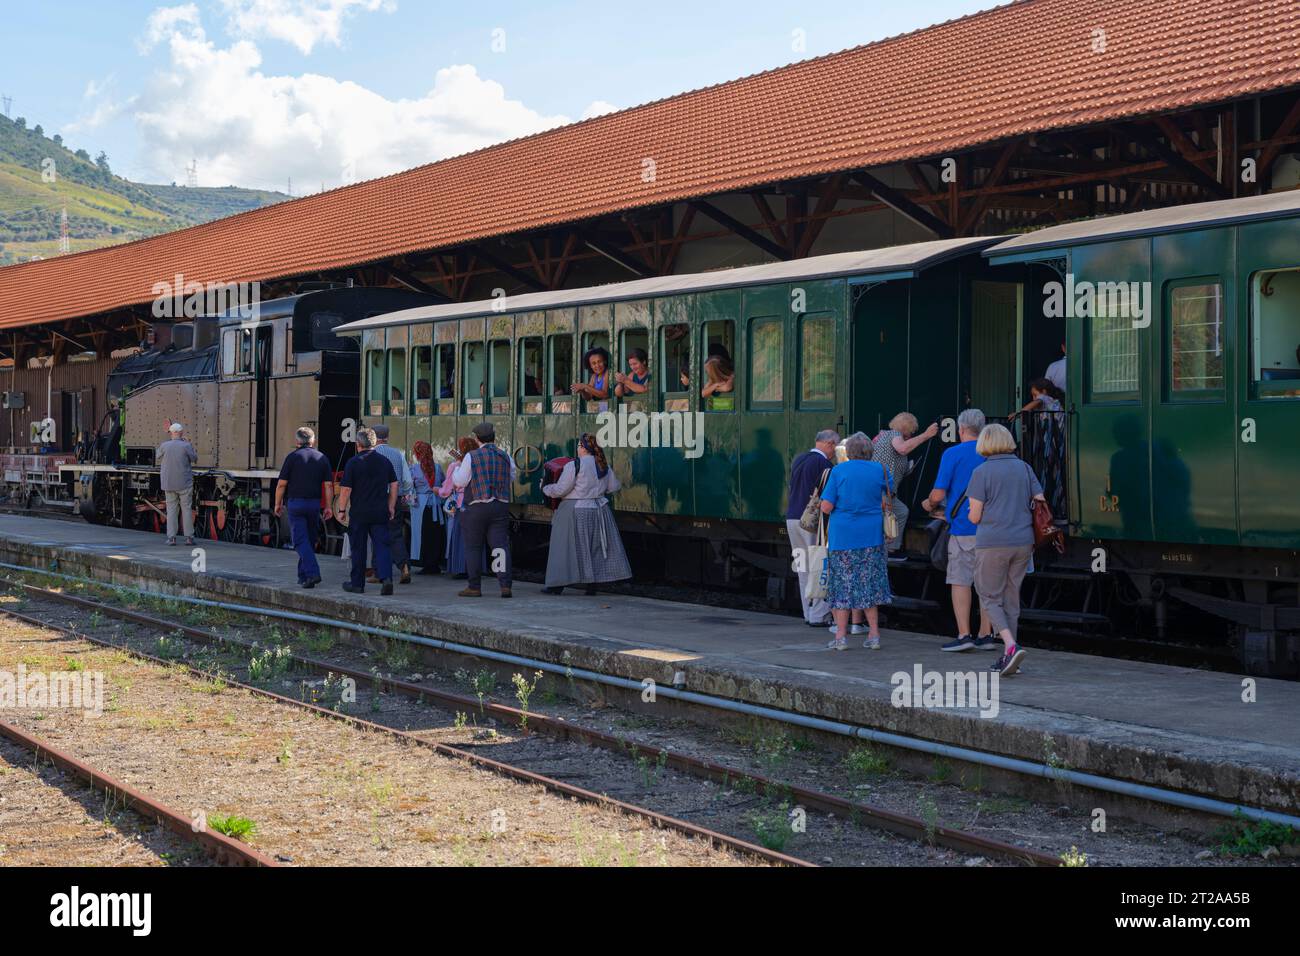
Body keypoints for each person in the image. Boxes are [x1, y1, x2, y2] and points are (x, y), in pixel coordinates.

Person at [967, 423, 1047, 676]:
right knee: (1012, 597)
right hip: (1023, 541)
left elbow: (975, 516)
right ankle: (1010, 658)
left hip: (993, 542)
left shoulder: (981, 472)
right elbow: (1041, 500)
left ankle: (1011, 647)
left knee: (988, 595)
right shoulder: (1024, 468)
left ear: (985, 444)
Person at [922, 408, 996, 652]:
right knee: (987, 585)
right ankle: (986, 634)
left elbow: (939, 494)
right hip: (992, 529)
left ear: (961, 429)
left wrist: (929, 504)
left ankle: (964, 634)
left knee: (961, 581)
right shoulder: (993, 453)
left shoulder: (952, 453)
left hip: (964, 527)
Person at [819, 432, 893, 650]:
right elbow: (889, 497)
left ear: (849, 452)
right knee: (868, 584)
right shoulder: (880, 469)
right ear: (870, 451)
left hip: (843, 537)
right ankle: (874, 634)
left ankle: (841, 637)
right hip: (871, 536)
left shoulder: (839, 470)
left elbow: (826, 506)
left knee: (842, 585)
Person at [540, 433, 631, 594]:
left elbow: (561, 490)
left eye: (579, 445)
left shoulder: (574, 465)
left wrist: (545, 488)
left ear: (583, 447)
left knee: (567, 548)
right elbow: (614, 487)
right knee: (595, 547)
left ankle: (557, 585)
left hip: (577, 510)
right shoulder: (603, 465)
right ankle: (591, 587)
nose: (577, 448)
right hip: (600, 510)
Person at [451, 422, 517, 597]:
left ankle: (474, 586)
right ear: (493, 437)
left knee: (473, 547)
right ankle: (505, 585)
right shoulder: (506, 456)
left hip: (476, 507)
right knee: (500, 546)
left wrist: (456, 469)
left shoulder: (471, 456)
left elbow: (460, 482)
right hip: (500, 505)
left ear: (477, 438)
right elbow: (511, 477)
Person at [786, 428, 839, 627]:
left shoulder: (799, 459)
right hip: (812, 523)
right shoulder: (824, 464)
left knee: (803, 569)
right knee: (819, 567)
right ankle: (819, 615)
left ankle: (808, 613)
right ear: (829, 444)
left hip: (793, 519)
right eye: (835, 446)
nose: (835, 452)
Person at [336, 427, 398, 595]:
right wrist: (391, 506)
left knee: (359, 548)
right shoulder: (385, 462)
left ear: (358, 444)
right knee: (382, 546)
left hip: (359, 512)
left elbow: (346, 490)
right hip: (380, 511)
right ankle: (386, 579)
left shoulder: (353, 462)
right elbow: (394, 485)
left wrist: (341, 510)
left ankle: (357, 584)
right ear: (374, 442)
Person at [273, 426, 333, 588]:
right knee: (309, 539)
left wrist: (277, 504)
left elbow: (281, 485)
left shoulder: (292, 458)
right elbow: (328, 486)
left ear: (297, 441)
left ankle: (313, 573)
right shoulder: (322, 458)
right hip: (314, 504)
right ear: (313, 440)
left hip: (296, 504)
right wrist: (328, 506)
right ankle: (303, 576)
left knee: (300, 541)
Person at [871, 412, 940, 551]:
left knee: (901, 512)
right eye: (912, 431)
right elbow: (902, 449)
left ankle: (891, 549)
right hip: (880, 491)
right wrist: (926, 435)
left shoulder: (886, 437)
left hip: (886, 492)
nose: (913, 434)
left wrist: (908, 468)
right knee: (884, 518)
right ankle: (883, 550)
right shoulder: (894, 435)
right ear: (905, 428)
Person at [371, 423, 414, 584]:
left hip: (376, 499)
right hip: (395, 499)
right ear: (387, 437)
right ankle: (404, 566)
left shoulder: (371, 454)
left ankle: (378, 571)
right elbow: (408, 481)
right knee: (396, 533)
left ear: (373, 438)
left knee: (376, 534)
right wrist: (403, 492)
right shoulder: (398, 454)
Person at [157, 422, 197, 546]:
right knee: (186, 509)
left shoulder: (164, 445)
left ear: (171, 433)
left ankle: (172, 538)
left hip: (168, 483)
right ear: (181, 433)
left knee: (171, 510)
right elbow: (194, 459)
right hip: (184, 483)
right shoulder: (186, 446)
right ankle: (189, 538)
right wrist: (188, 444)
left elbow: (157, 455)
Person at [409, 440, 446, 575]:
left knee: (422, 535)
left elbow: (409, 487)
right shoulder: (437, 467)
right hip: (436, 504)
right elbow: (443, 483)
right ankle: (434, 563)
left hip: (421, 505)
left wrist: (410, 502)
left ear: (418, 454)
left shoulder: (414, 468)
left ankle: (426, 564)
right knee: (436, 535)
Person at [571, 347, 611, 411]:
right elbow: (588, 397)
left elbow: (604, 394)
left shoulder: (607, 372)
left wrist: (585, 386)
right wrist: (582, 391)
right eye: (594, 363)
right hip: (599, 408)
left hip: (609, 408)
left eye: (599, 361)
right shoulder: (594, 376)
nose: (597, 365)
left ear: (605, 361)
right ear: (590, 366)